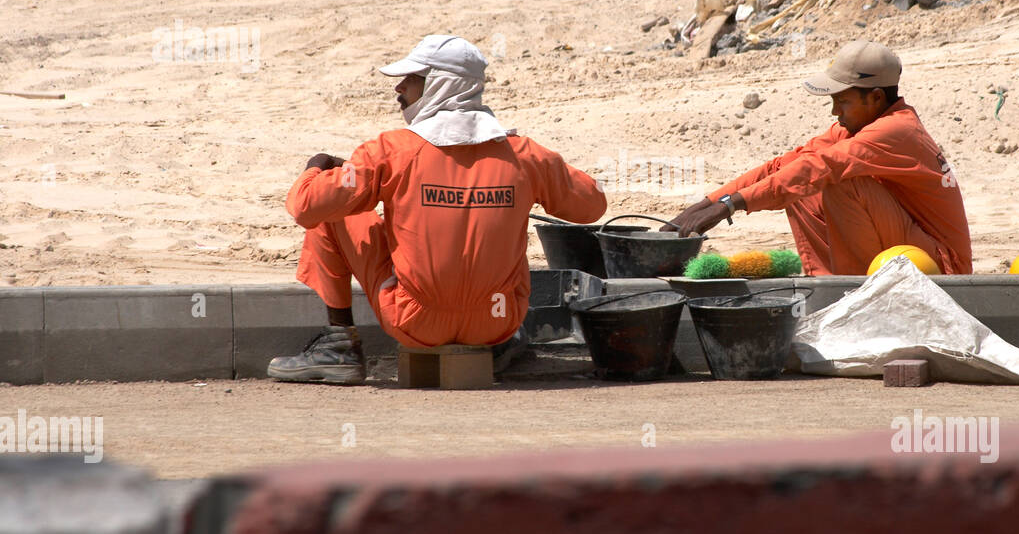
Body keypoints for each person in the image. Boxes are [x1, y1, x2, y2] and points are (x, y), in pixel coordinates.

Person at [268, 34, 606, 383]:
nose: (399, 88)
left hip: (413, 320)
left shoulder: (390, 151)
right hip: (498, 320)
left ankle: (338, 347)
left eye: (410, 79)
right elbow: (593, 205)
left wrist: (319, 165)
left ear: (438, 84)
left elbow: (305, 207)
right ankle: (501, 346)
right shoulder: (526, 156)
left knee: (332, 211)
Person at [666, 40, 972, 275]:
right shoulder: (863, 125)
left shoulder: (896, 130)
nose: (835, 111)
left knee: (834, 181)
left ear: (876, 97)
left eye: (843, 101)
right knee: (795, 177)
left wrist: (731, 206)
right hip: (911, 248)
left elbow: (821, 168)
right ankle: (829, 282)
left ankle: (853, 292)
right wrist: (706, 204)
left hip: (943, 268)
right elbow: (785, 165)